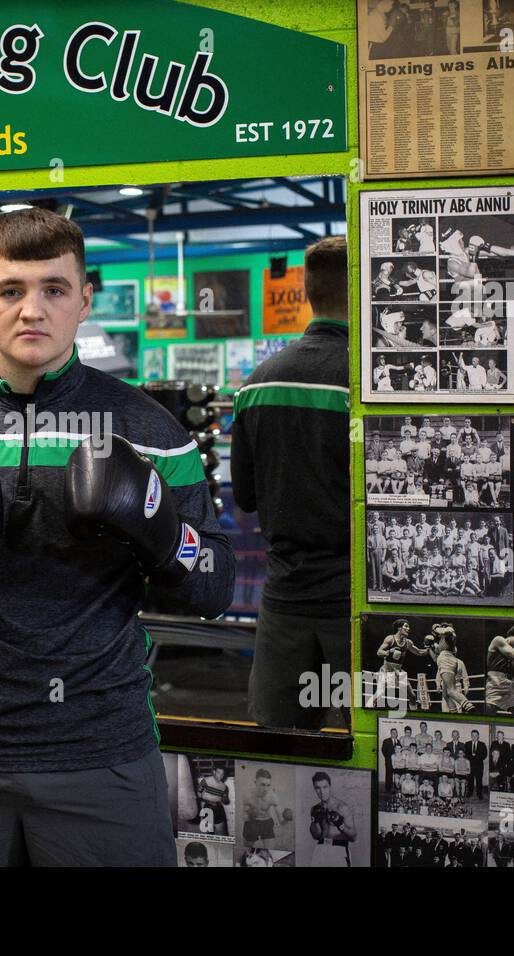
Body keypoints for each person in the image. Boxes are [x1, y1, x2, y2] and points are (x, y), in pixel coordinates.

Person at [0, 208, 235, 867]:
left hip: (102, 751)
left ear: (85, 300)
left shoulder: (150, 429)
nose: (32, 310)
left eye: (54, 290)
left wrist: (159, 528)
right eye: (10, 291)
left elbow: (213, 585)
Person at [232, 237, 349, 731]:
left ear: (306, 292)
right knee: (372, 744)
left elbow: (246, 496)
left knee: (279, 752)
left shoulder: (257, 384)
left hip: (285, 603)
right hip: (357, 607)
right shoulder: (370, 386)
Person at [308, 771, 357, 867]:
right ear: (314, 788)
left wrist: (340, 824)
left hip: (338, 849)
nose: (322, 792)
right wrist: (315, 821)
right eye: (318, 788)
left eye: (325, 787)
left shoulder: (342, 807)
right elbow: (316, 836)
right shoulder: (315, 809)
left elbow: (353, 836)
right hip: (320, 849)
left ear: (330, 786)